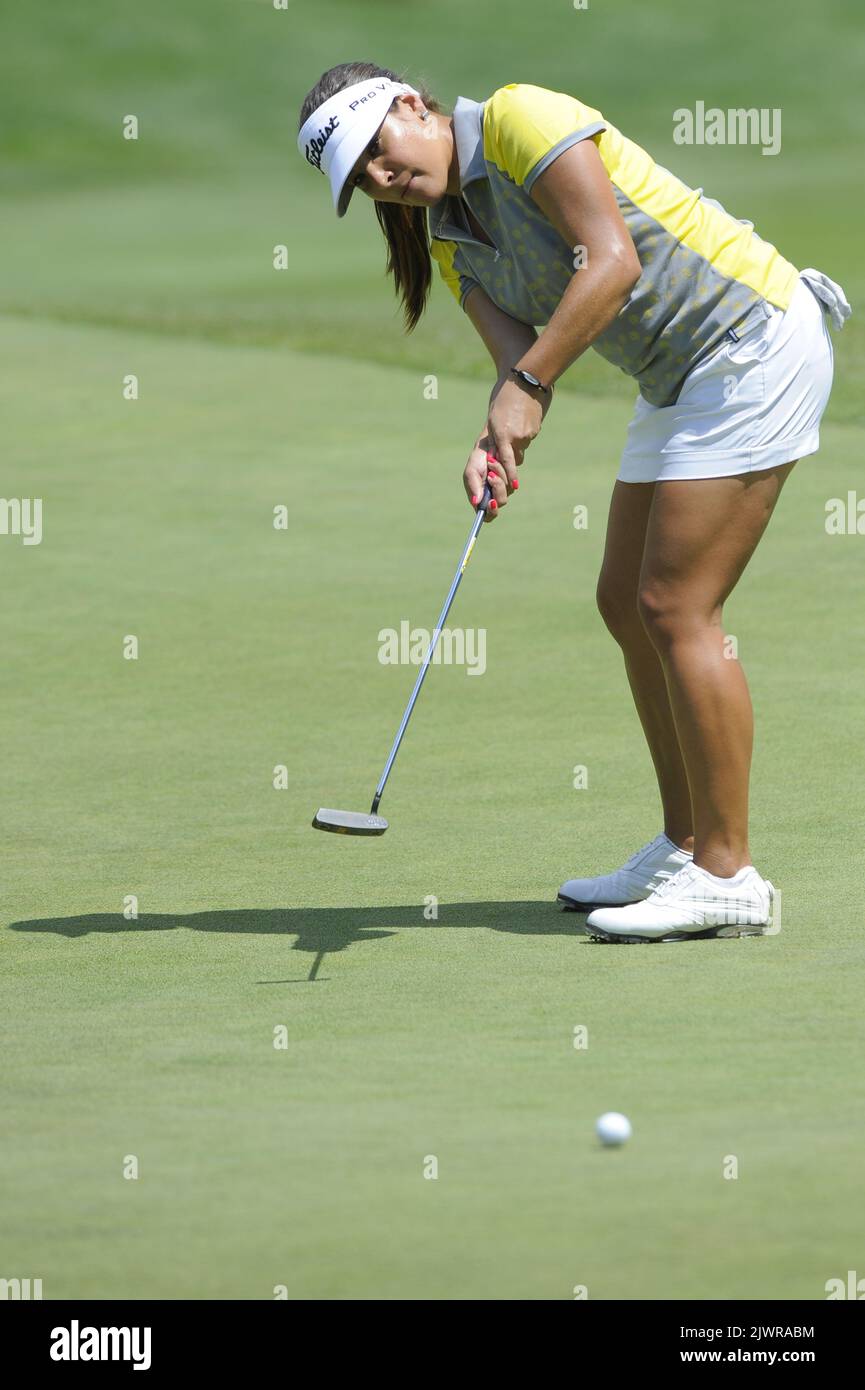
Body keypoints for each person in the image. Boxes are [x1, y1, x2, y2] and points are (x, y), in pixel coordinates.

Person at [296, 62, 850, 943]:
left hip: (749, 340)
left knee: (676, 607)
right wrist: (498, 434)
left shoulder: (522, 118)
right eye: (358, 178)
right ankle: (683, 845)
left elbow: (612, 263)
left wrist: (523, 383)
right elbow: (521, 357)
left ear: (410, 104)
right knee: (622, 603)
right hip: (679, 376)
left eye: (377, 151)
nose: (379, 178)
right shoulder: (447, 239)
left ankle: (729, 875)